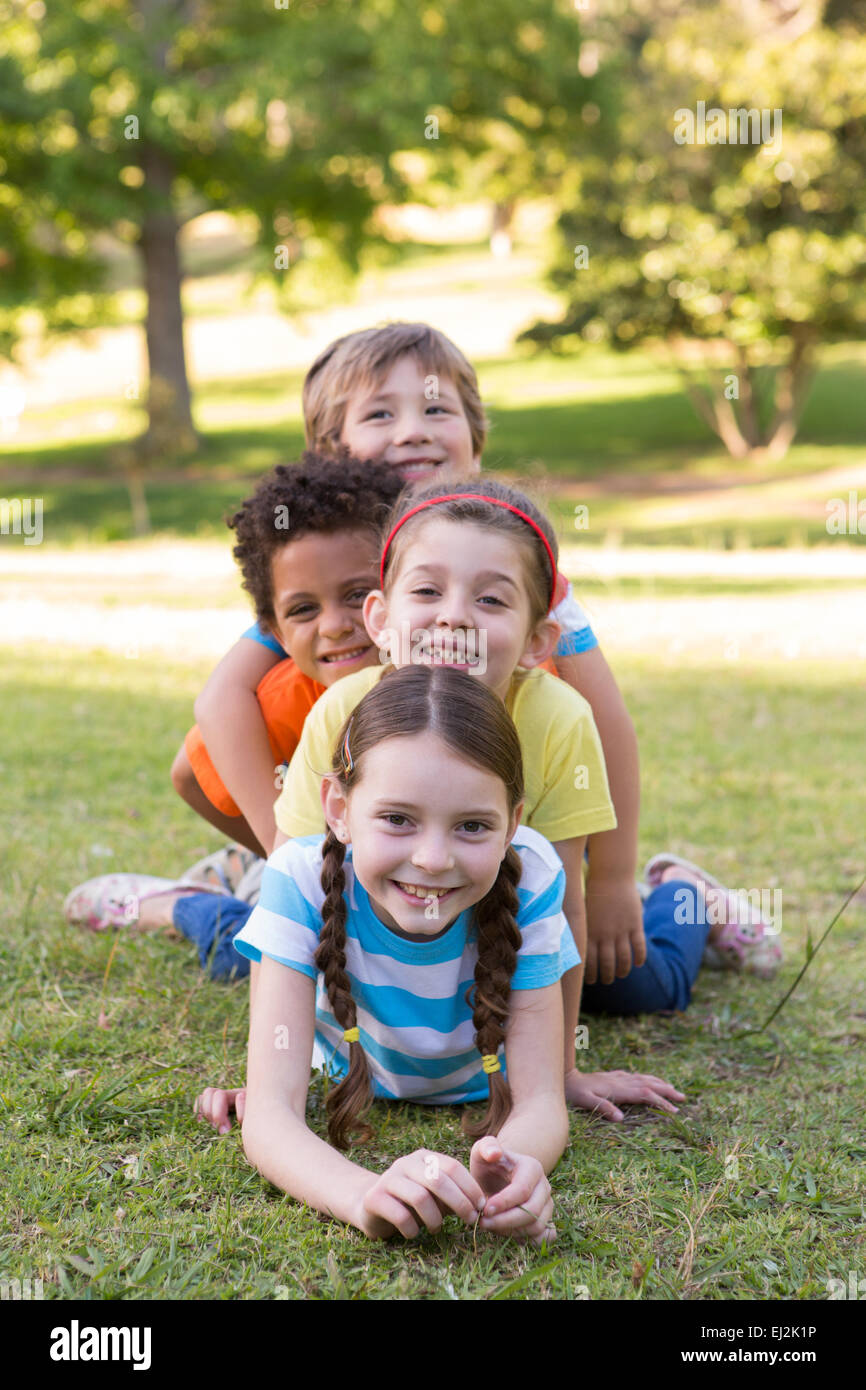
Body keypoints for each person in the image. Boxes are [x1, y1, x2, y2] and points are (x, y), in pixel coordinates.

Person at [173, 323, 646, 999]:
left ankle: (670, 890)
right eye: (380, 414)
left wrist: (613, 879)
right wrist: (288, 854)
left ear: (476, 438)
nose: (413, 430)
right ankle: (237, 882)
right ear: (331, 452)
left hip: (497, 820)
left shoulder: (513, 557)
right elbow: (216, 713)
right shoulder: (327, 555)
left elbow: (604, 720)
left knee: (617, 983)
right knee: (267, 953)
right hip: (363, 802)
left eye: (435, 409)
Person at [235, 663, 570, 1244]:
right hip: (311, 946)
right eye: (396, 819)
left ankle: (679, 896)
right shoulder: (298, 879)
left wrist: (512, 1165)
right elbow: (268, 1116)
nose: (433, 859)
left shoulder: (534, 877)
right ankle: (194, 897)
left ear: (513, 823)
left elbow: (542, 1099)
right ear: (338, 810)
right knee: (221, 939)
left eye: (472, 826)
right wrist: (362, 1195)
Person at [63, 452, 405, 969]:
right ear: (273, 629)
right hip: (326, 878)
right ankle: (182, 905)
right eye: (304, 609)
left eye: (358, 594)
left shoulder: (458, 682)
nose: (334, 625)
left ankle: (239, 871)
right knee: (244, 956)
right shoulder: (289, 697)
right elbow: (190, 774)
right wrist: (281, 851)